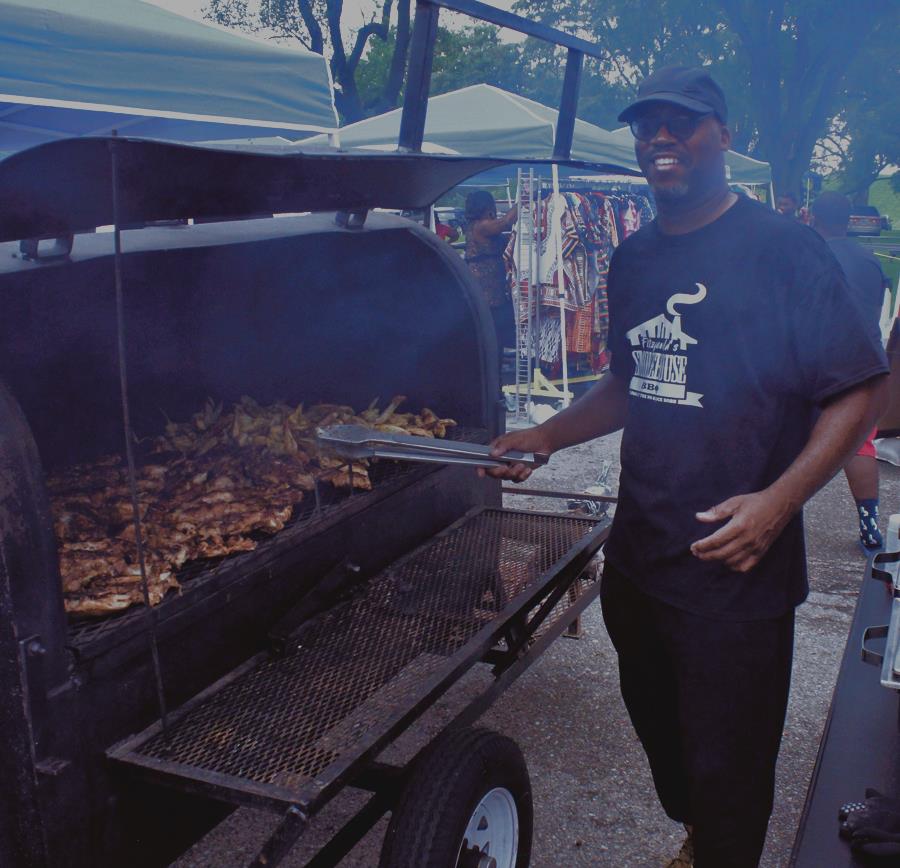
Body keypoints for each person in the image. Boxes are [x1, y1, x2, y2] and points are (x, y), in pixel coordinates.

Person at [482, 65, 888, 868]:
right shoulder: (633, 260)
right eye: (647, 125)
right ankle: (699, 835)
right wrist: (550, 434)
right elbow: (631, 383)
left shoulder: (786, 251)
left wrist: (778, 502)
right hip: (638, 557)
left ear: (723, 137)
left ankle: (720, 848)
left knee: (730, 767)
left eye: (683, 121)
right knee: (666, 740)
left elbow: (860, 390)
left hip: (737, 569)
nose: (660, 137)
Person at [811, 191, 890, 553]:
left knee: (783, 435)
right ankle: (870, 527)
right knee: (860, 443)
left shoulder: (809, 256)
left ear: (813, 217)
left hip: (817, 360)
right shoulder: (871, 261)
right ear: (849, 221)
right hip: (864, 362)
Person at [463, 191, 518, 354]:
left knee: (496, 340)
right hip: (486, 295)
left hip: (494, 294)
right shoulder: (480, 226)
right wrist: (524, 202)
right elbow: (507, 222)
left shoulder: (481, 227)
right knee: (492, 340)